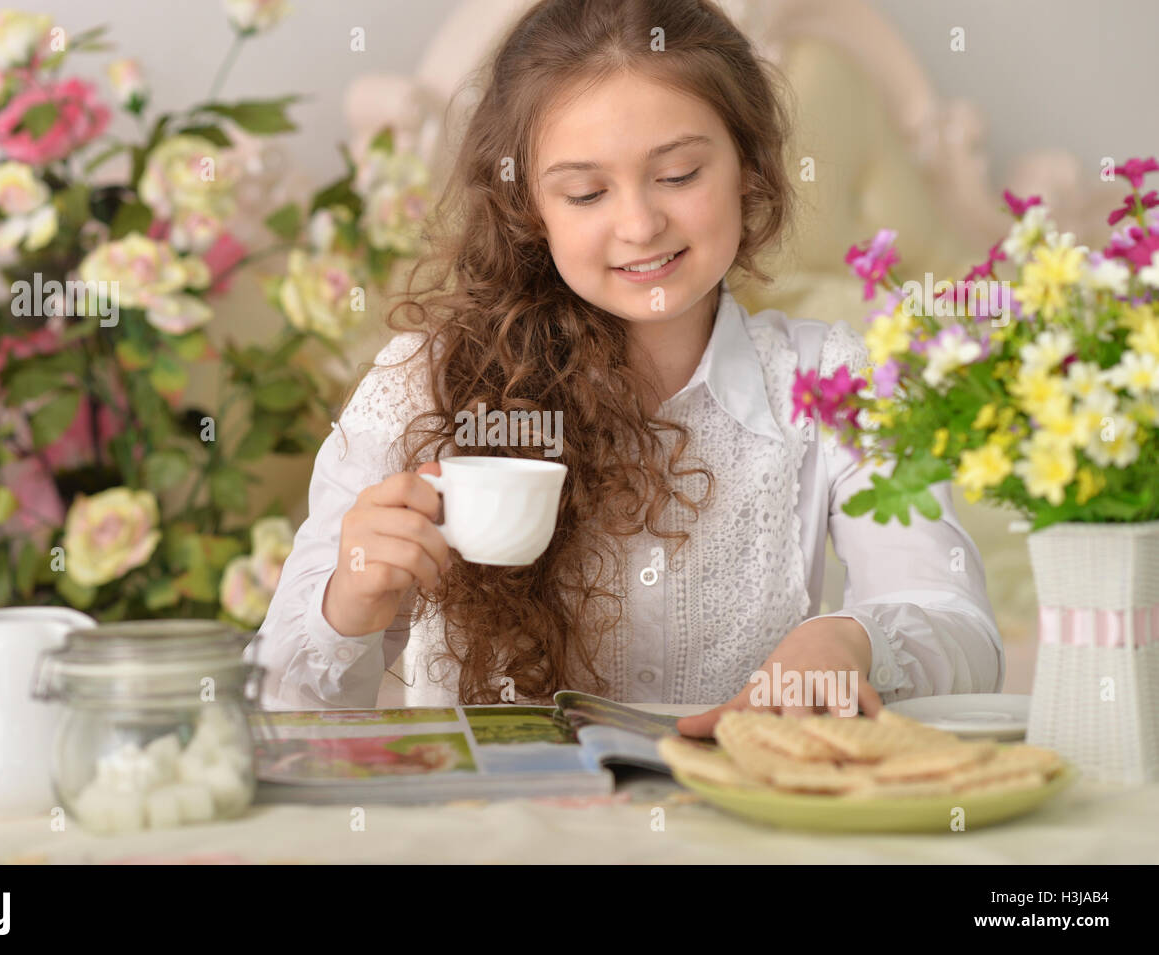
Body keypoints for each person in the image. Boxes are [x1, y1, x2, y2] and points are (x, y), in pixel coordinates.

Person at [250, 0, 1004, 734]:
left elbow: (959, 629)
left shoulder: (833, 378)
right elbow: (281, 709)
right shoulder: (421, 384)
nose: (641, 224)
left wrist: (853, 640)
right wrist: (347, 603)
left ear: (748, 166)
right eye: (585, 192)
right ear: (529, 209)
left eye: (678, 175)